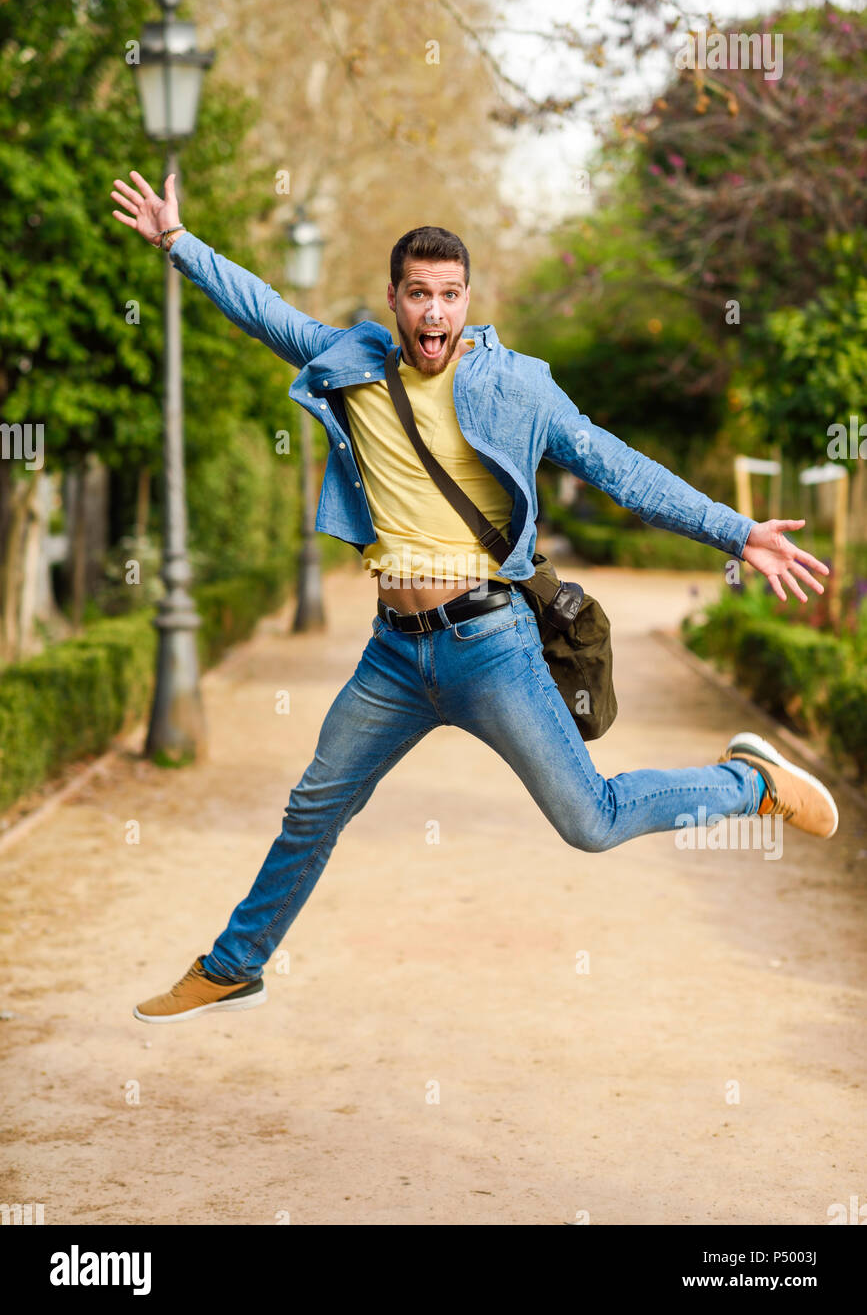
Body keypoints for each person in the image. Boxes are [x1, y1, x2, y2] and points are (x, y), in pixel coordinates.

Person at [111, 171, 838, 1024]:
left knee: (591, 822)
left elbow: (618, 470)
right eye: (417, 294)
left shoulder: (516, 386)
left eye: (448, 295)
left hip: (489, 646)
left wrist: (734, 531)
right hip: (393, 653)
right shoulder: (350, 364)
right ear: (393, 298)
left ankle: (746, 784)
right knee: (313, 806)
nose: (432, 313)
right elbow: (263, 308)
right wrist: (177, 243)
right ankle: (236, 964)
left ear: (466, 301)